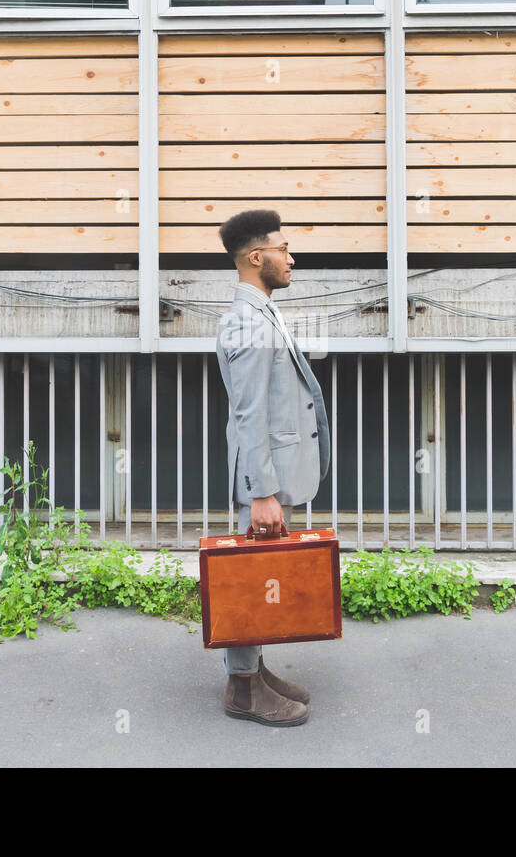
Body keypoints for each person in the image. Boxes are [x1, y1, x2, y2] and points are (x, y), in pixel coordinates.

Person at [215, 209, 331, 727]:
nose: (292, 257)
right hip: (265, 476)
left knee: (260, 573)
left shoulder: (262, 311)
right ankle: (243, 689)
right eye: (284, 248)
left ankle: (253, 672)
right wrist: (261, 492)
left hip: (275, 472)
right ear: (256, 257)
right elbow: (248, 412)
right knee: (249, 577)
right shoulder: (246, 319)